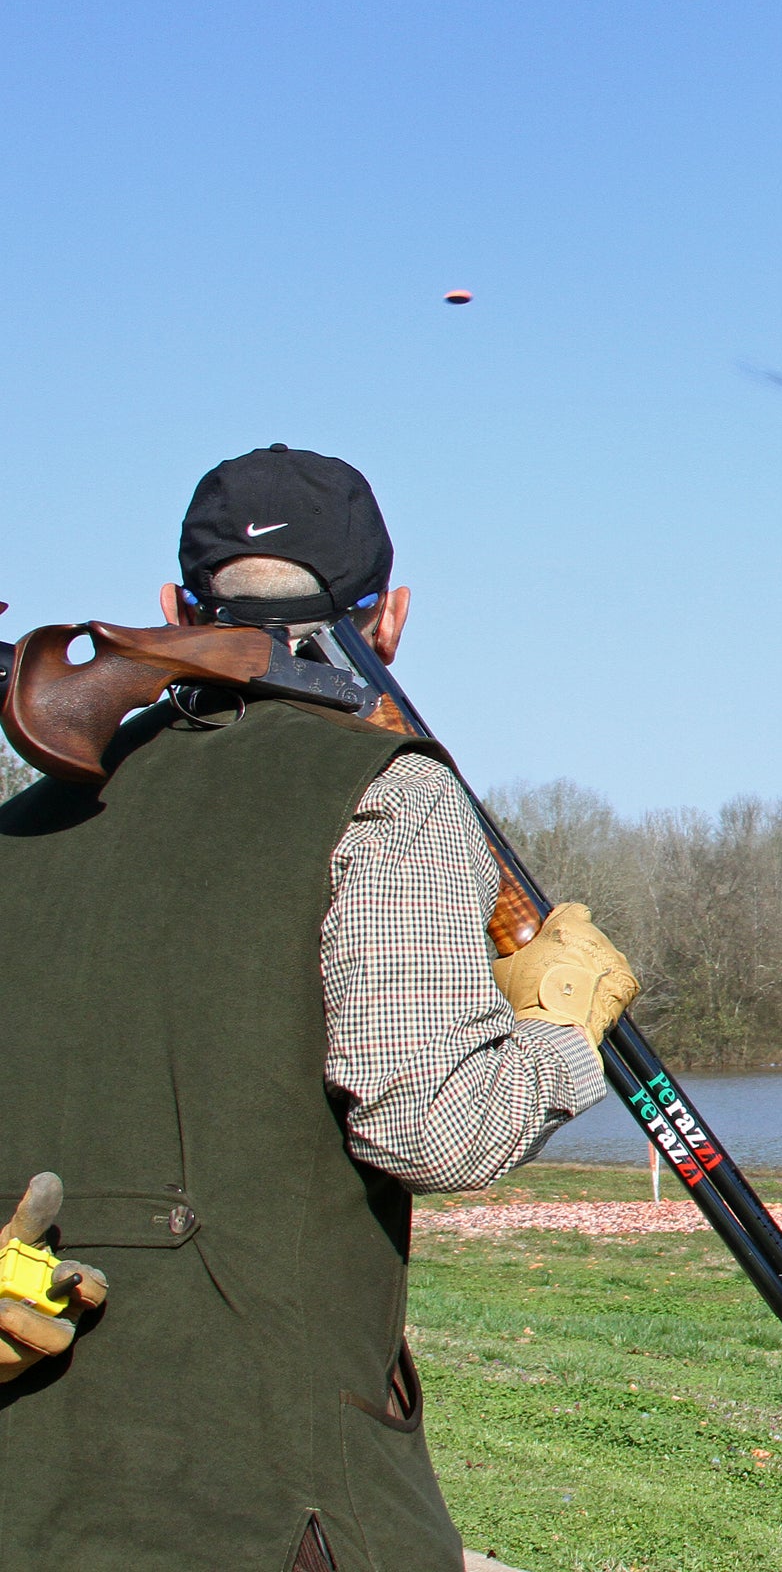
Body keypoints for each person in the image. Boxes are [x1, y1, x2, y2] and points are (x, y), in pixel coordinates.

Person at [0, 444, 640, 1572]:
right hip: (273, 1507)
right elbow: (427, 1125)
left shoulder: (23, 827)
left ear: (172, 608)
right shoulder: (388, 791)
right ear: (387, 620)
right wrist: (556, 1031)